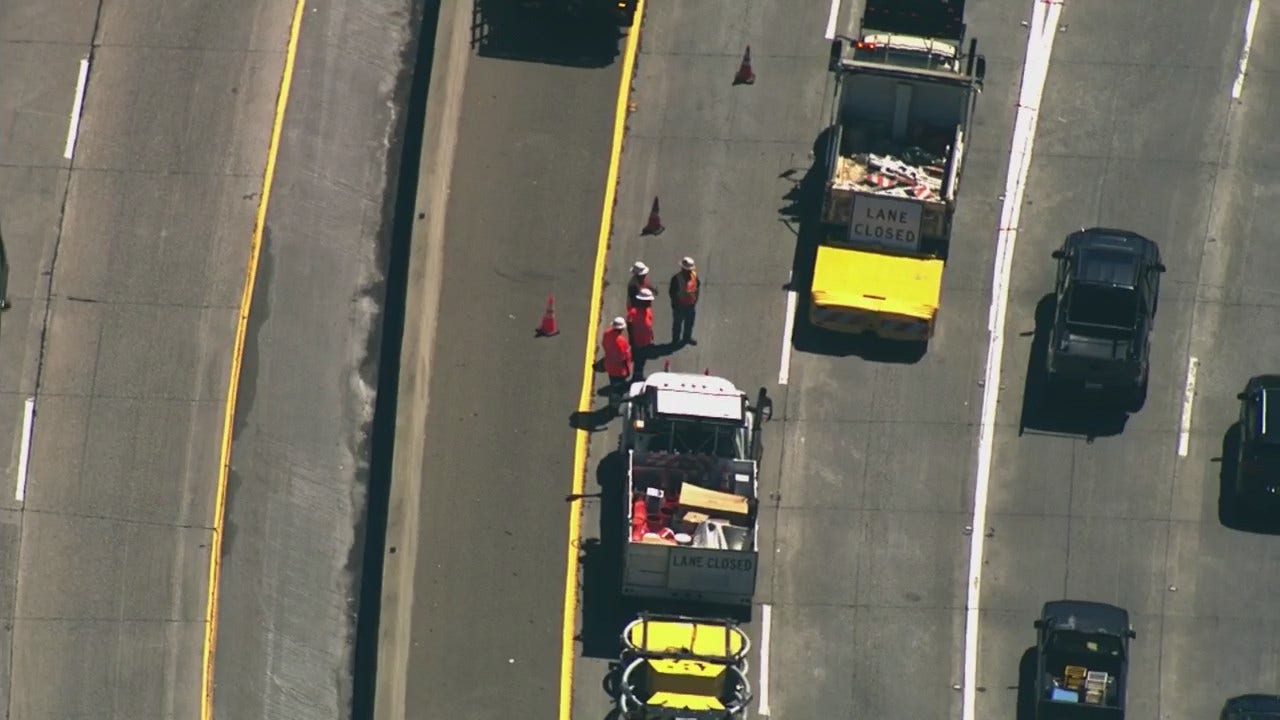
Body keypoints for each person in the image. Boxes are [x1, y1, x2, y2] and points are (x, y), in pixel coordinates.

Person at [667, 256, 701, 346]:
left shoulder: (694, 275)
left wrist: (695, 300)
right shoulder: (676, 279)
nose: (688, 271)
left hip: (690, 305)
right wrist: (675, 305)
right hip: (680, 306)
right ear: (682, 269)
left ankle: (687, 338)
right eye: (686, 269)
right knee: (677, 324)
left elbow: (697, 287)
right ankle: (675, 340)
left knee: (689, 323)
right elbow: (672, 293)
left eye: (689, 269)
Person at [602, 316, 633, 403]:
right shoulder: (622, 342)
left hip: (609, 365)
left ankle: (614, 400)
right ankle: (615, 405)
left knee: (613, 384)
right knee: (618, 388)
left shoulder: (606, 334)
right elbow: (625, 358)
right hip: (618, 370)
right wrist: (627, 370)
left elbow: (604, 345)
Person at [627, 288, 656, 379]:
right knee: (638, 361)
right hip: (637, 342)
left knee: (642, 360)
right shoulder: (633, 313)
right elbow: (629, 326)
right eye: (648, 301)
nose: (650, 303)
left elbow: (649, 323)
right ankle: (636, 378)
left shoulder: (648, 310)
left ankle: (639, 375)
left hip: (646, 341)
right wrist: (631, 338)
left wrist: (651, 333)